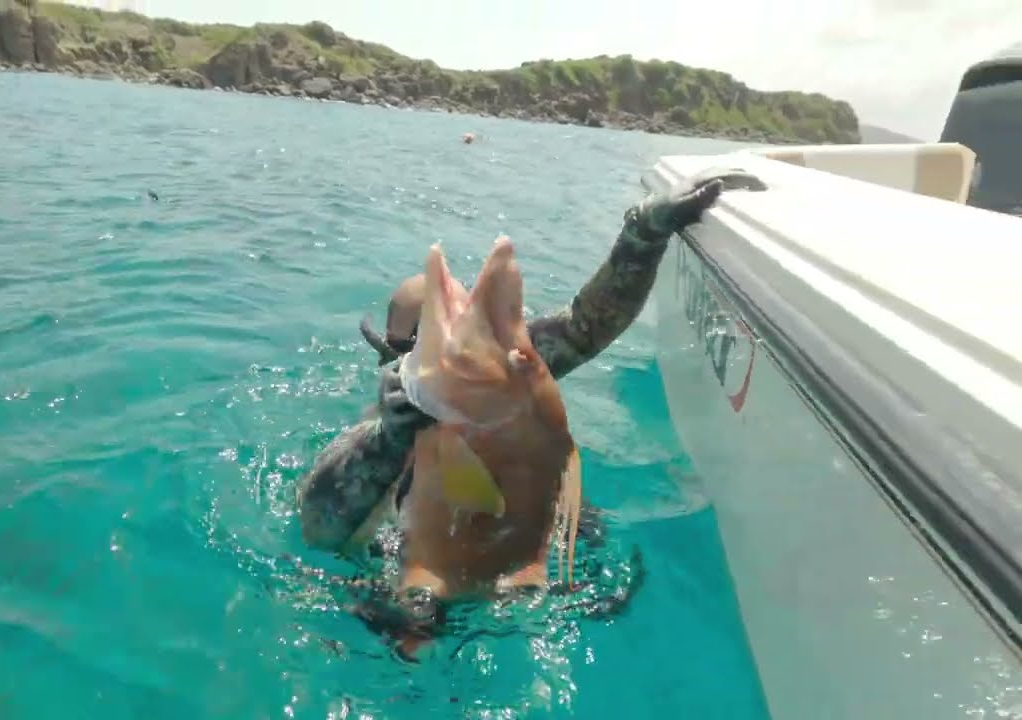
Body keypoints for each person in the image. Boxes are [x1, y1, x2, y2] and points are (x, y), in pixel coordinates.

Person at [297, 167, 765, 558]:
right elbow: (316, 527)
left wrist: (642, 233)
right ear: (390, 358)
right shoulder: (372, 438)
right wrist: (390, 441)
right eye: (413, 349)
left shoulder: (504, 371)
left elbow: (587, 324)